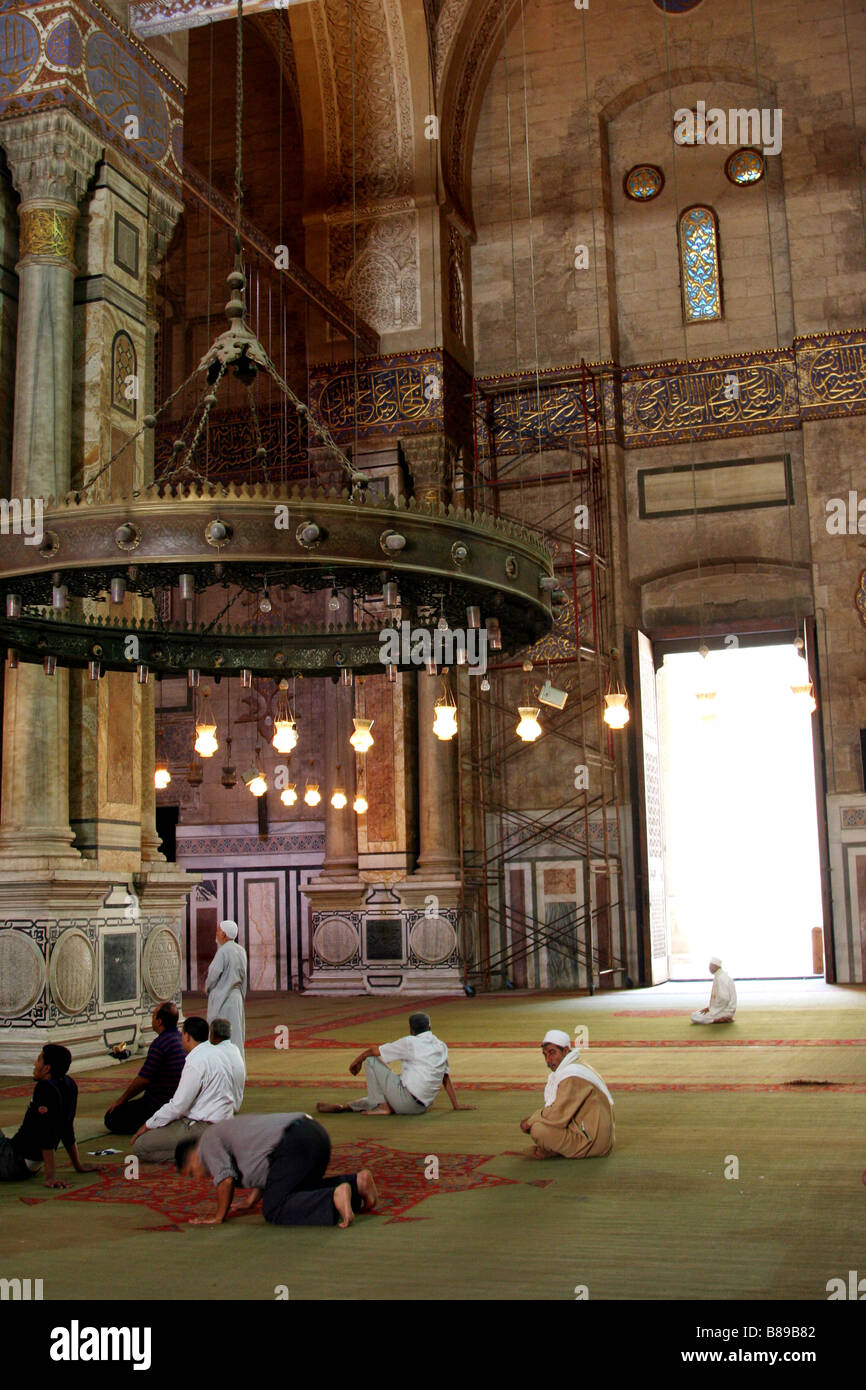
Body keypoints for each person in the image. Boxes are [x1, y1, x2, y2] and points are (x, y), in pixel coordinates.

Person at [176, 1113, 378, 1229]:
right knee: (296, 1190)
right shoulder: (225, 1130)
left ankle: (332, 1197)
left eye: (192, 1172)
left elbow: (225, 1180)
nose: (198, 1178)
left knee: (275, 1209)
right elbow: (267, 1170)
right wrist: (250, 1201)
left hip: (293, 1144)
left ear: (194, 1155)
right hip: (313, 1133)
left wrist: (218, 1216)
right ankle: (357, 1183)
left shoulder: (207, 1143)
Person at [317, 1012, 474, 1116]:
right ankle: (345, 1107)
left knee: (371, 1061)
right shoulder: (441, 1045)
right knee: (386, 1086)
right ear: (430, 1027)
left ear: (411, 1030)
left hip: (406, 1102)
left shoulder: (410, 1042)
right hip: (421, 1107)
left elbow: (372, 1052)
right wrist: (456, 1105)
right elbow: (445, 1078)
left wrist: (357, 1061)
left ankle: (382, 1107)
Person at [130, 1016, 237, 1163]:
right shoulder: (219, 1054)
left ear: (186, 1036)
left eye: (182, 1035)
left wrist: (148, 1125)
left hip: (205, 1126)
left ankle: (203, 1153)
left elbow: (178, 1106)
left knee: (141, 1146)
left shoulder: (196, 1061)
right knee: (165, 1128)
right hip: (225, 1123)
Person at [0, 1045, 96, 1186]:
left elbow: (47, 1133)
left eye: (39, 1060)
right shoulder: (69, 1084)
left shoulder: (44, 1088)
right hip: (28, 1164)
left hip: (13, 1161)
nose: (35, 1064)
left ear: (46, 1068)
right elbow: (67, 1128)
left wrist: (51, 1177)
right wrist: (77, 1165)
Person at [519, 1029, 615, 1160]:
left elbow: (557, 1116)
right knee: (541, 1125)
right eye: (545, 1054)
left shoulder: (572, 1076)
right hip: (592, 1135)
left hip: (592, 1142)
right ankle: (556, 1148)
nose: (548, 1060)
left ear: (565, 1051)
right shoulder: (575, 1065)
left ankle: (558, 1150)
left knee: (538, 1130)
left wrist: (530, 1121)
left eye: (552, 1053)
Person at [103, 1002, 185, 1134]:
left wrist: (121, 1100)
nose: (152, 1020)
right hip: (180, 1101)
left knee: (112, 1117)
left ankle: (157, 1123)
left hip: (159, 1104)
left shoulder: (160, 1043)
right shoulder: (182, 1038)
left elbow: (143, 1080)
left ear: (159, 1021)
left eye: (153, 1017)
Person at [205, 920, 248, 1055]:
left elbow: (213, 975)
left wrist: (207, 988)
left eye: (218, 930)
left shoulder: (223, 951)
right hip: (237, 998)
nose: (216, 933)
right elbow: (244, 976)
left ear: (223, 934)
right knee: (236, 1036)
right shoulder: (241, 950)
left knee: (220, 1036)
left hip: (222, 998)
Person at [209, 1017, 246, 1114]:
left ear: (212, 1035)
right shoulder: (235, 1050)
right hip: (235, 1105)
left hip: (220, 1110)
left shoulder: (215, 1054)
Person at [691, 956, 737, 1024]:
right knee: (696, 1014)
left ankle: (717, 1020)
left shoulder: (721, 978)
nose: (709, 968)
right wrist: (709, 1008)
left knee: (694, 1016)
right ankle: (719, 1018)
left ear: (715, 966)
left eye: (710, 966)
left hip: (725, 1011)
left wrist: (711, 1009)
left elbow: (724, 999)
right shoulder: (721, 976)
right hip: (723, 1010)